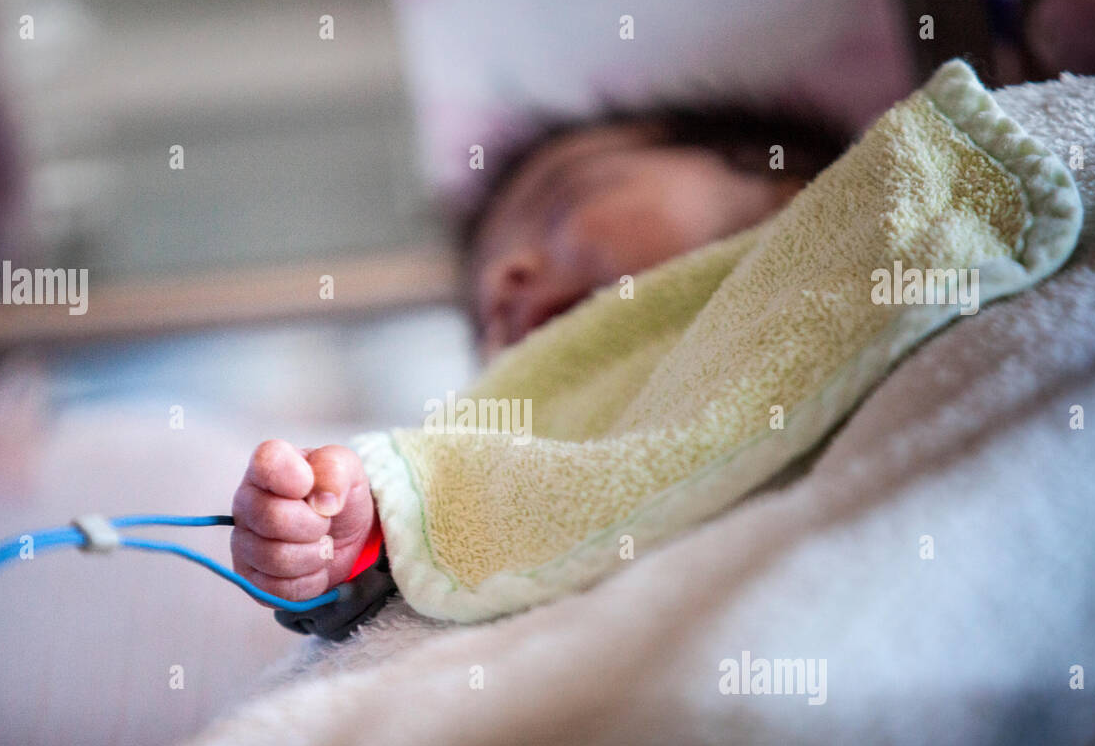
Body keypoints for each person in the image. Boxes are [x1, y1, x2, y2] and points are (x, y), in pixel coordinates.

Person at [229, 103, 850, 605]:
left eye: (561, 207)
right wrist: (370, 534)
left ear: (779, 183)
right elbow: (469, 501)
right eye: (481, 323)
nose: (505, 276)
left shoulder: (877, 244)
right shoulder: (551, 441)